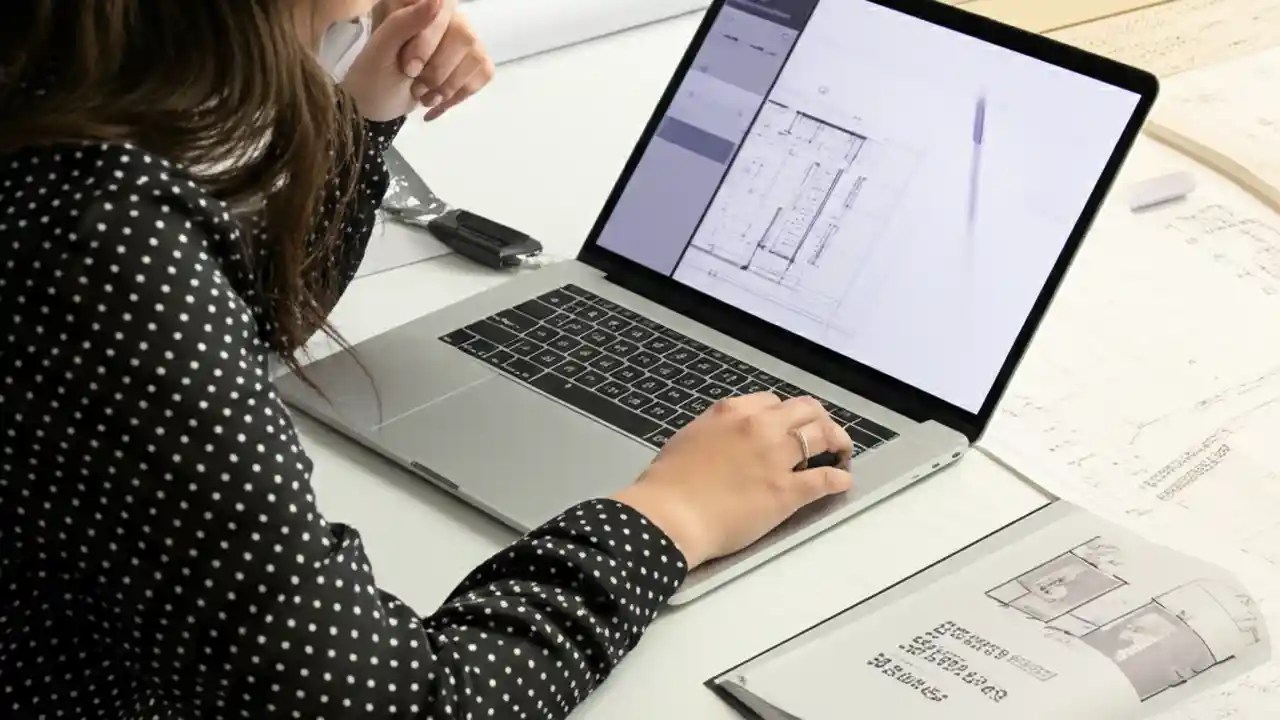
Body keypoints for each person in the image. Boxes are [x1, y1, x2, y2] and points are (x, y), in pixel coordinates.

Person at [0, 1, 855, 718]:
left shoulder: (57, 115)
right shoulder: (93, 233)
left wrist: (361, 110)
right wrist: (668, 520)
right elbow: (384, 706)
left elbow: (239, 319)